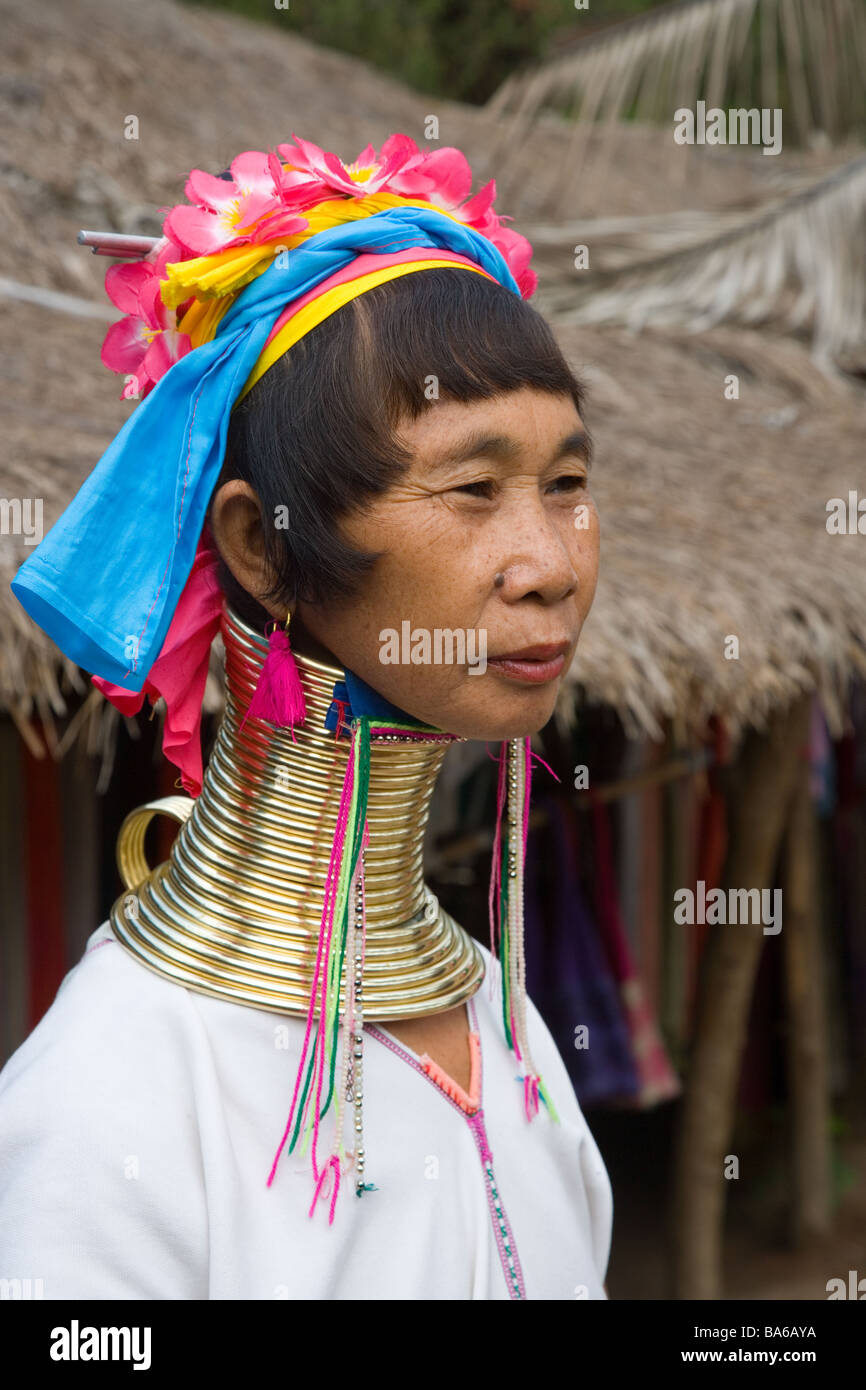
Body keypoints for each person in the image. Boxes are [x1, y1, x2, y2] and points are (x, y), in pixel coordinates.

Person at [0, 133, 612, 1299]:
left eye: (567, 484)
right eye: (472, 488)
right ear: (258, 547)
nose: (548, 562)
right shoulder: (111, 1106)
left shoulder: (505, 1024)